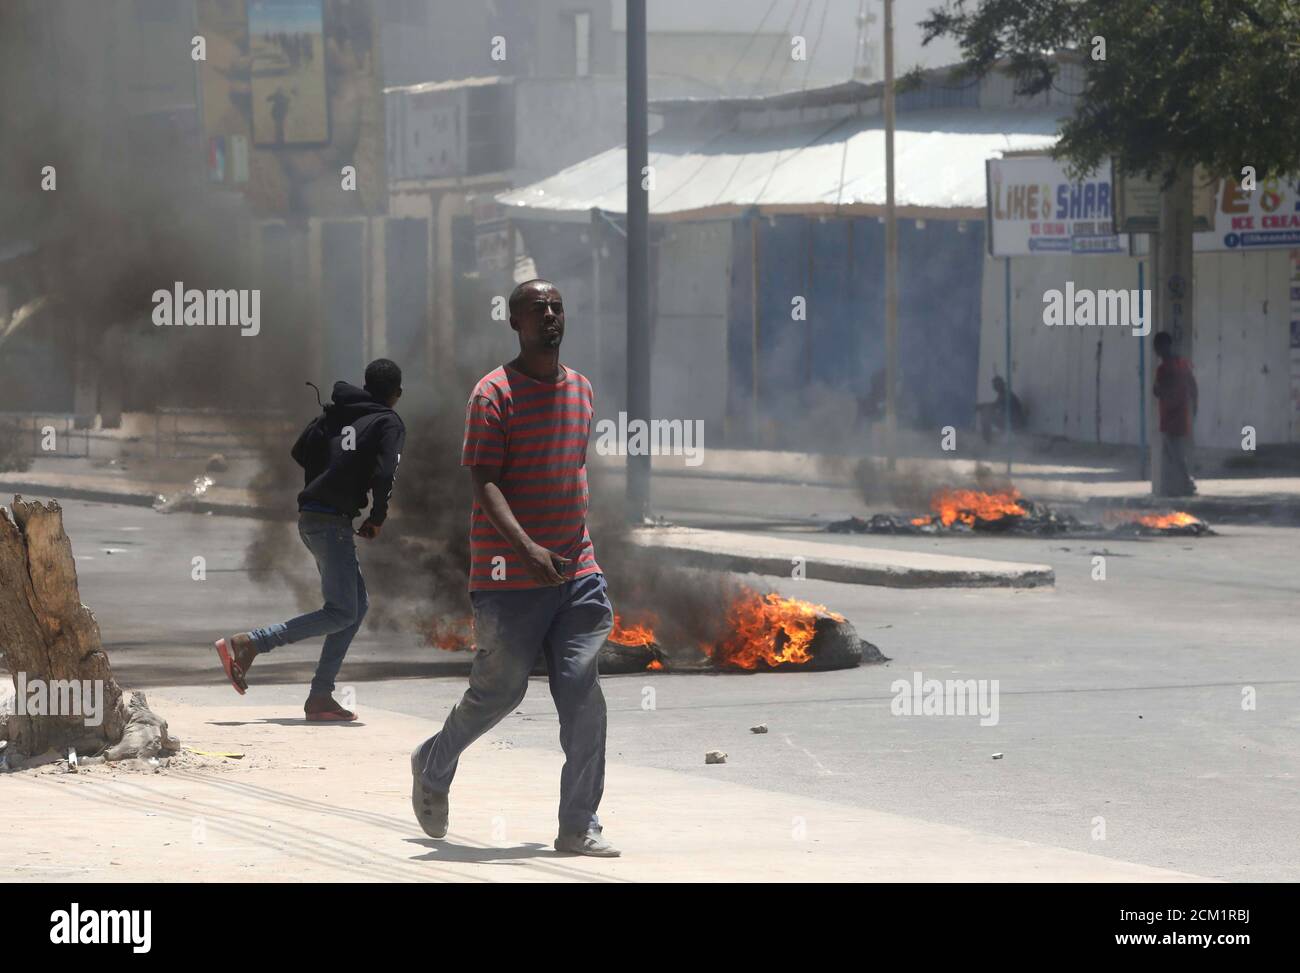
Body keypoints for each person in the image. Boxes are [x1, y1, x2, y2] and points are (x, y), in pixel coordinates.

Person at [410, 279, 619, 857]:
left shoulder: (581, 389)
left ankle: (578, 824)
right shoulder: (492, 394)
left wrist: (573, 544)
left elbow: (571, 470)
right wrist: (527, 547)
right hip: (509, 578)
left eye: (557, 308)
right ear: (514, 322)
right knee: (499, 694)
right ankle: (433, 760)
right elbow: (484, 480)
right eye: (537, 310)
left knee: (583, 695)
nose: (550, 317)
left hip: (576, 572)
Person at [213, 359, 405, 721]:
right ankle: (253, 641)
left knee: (355, 608)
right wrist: (376, 516)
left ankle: (320, 696)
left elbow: (301, 450)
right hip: (331, 523)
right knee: (342, 611)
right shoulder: (387, 421)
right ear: (396, 394)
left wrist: (331, 473)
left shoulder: (337, 413)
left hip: (313, 518)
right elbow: (386, 474)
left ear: (367, 385)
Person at [1153, 331, 1198, 495]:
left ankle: (1187, 484)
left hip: (1171, 418)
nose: (1157, 351)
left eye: (1158, 347)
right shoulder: (1182, 363)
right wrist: (1194, 408)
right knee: (1172, 454)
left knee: (1176, 455)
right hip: (1179, 416)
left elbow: (1159, 391)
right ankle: (1175, 486)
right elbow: (1193, 386)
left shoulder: (1164, 369)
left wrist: (1158, 390)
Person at [977, 375, 1027, 444]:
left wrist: (981, 406)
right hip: (1012, 421)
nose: (995, 387)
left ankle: (987, 441)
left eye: (997, 385)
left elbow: (995, 406)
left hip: (1014, 424)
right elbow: (996, 405)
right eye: (994, 385)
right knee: (986, 412)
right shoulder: (1003, 394)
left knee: (985, 414)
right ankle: (987, 440)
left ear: (1001, 385)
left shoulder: (1006, 395)